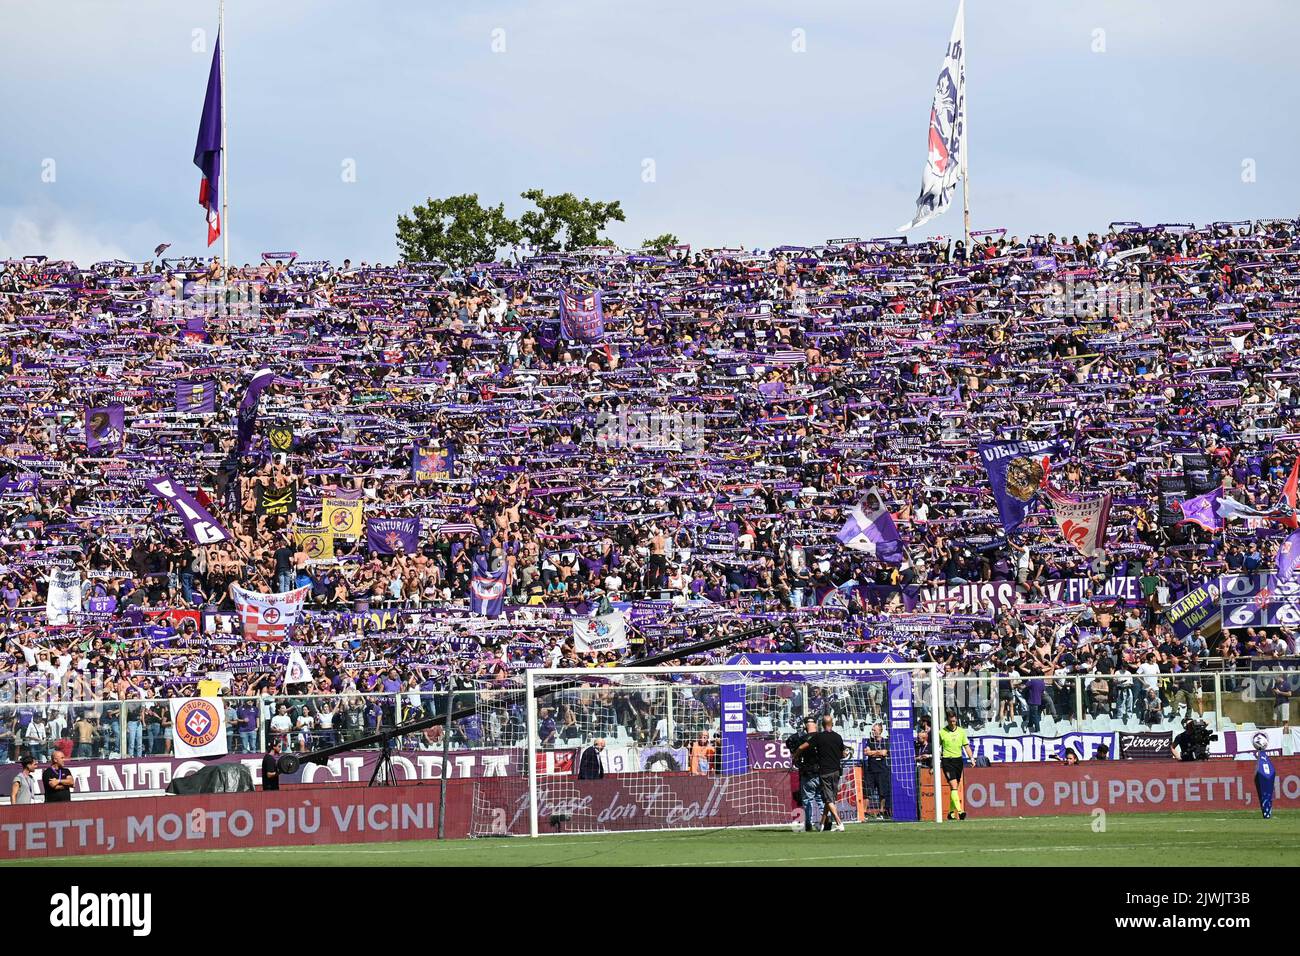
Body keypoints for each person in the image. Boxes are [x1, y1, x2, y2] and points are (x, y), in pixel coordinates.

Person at [794, 714, 850, 832]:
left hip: (823, 772)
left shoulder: (818, 737)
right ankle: (823, 824)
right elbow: (844, 753)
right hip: (836, 772)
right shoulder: (838, 737)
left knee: (822, 800)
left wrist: (795, 756)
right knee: (825, 799)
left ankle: (838, 823)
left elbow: (801, 747)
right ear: (833, 724)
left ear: (822, 725)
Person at [785, 715, 823, 832]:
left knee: (807, 800)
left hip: (808, 771)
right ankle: (827, 822)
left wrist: (795, 756)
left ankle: (808, 823)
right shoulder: (823, 737)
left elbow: (789, 742)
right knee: (821, 799)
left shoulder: (800, 738)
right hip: (822, 772)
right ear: (816, 724)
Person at [938, 712, 974, 820]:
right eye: (950, 721)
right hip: (947, 761)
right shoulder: (942, 732)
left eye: (954, 721)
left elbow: (966, 746)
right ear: (947, 721)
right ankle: (960, 811)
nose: (952, 723)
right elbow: (937, 746)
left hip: (958, 761)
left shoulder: (961, 732)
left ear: (956, 720)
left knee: (954, 788)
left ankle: (950, 813)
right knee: (954, 786)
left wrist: (971, 758)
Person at [862, 721, 891, 819]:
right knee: (867, 792)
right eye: (872, 730)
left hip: (882, 770)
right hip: (871, 770)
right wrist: (877, 752)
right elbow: (867, 752)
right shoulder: (869, 741)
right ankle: (864, 812)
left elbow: (884, 753)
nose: (873, 731)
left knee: (882, 792)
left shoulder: (885, 741)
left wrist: (873, 752)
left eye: (875, 730)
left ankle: (881, 811)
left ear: (880, 731)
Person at [1253, 735, 1276, 820]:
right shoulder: (1262, 759)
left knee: (1266, 793)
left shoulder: (1263, 759)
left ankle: (1267, 813)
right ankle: (1267, 813)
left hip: (1265, 773)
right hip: (1263, 773)